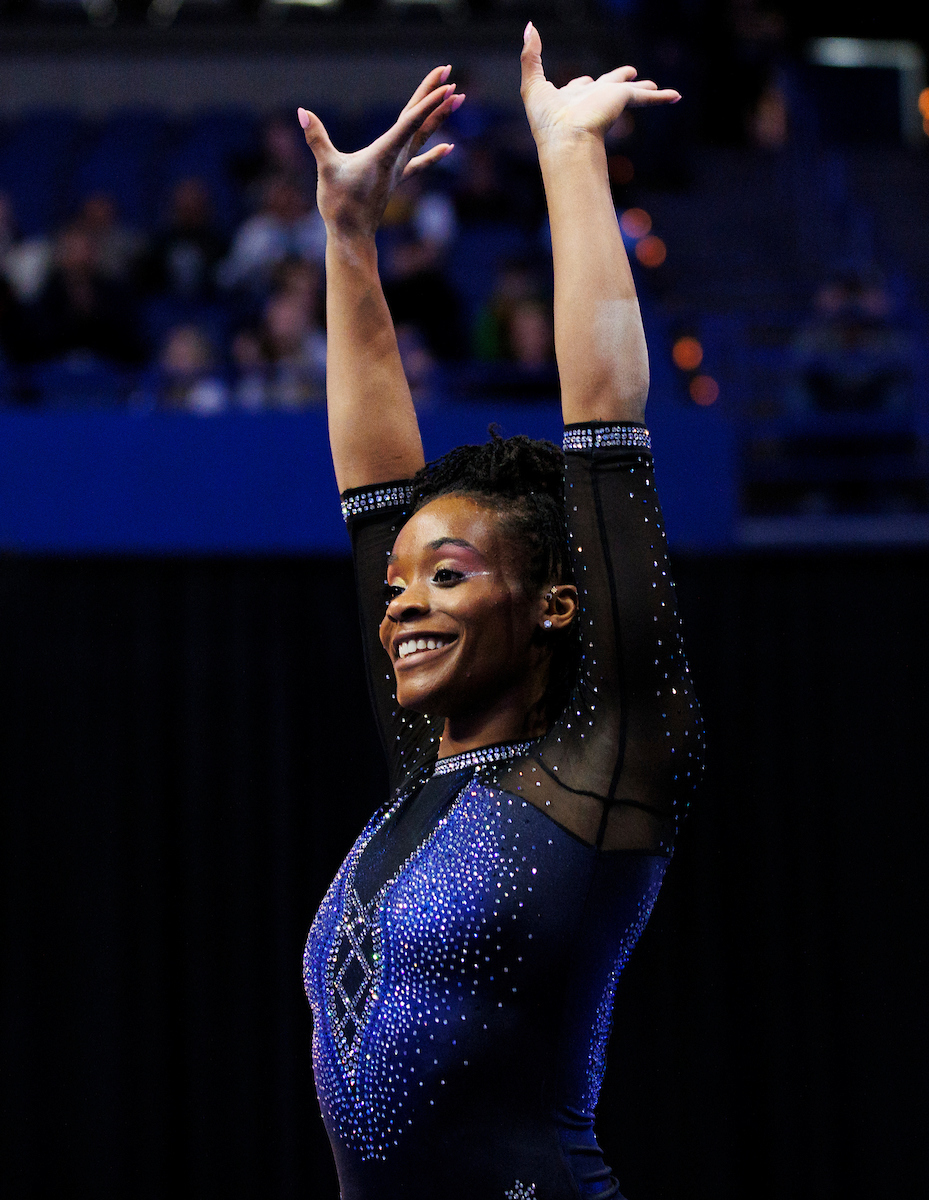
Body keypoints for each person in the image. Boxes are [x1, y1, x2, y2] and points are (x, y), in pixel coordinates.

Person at [300, 26, 703, 1200]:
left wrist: (569, 155)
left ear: (555, 605)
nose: (402, 607)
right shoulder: (420, 772)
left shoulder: (604, 769)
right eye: (398, 586)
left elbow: (608, 431)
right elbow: (374, 490)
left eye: (449, 576)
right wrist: (348, 237)